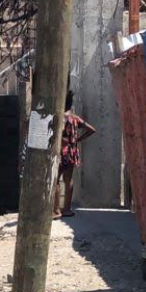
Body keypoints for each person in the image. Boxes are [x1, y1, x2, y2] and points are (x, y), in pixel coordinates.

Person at [55, 90, 96, 219]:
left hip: (61, 152)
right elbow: (92, 129)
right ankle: (67, 209)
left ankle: (56, 210)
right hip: (72, 152)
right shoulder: (75, 118)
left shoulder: (60, 117)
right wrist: (78, 139)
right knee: (69, 179)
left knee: (55, 180)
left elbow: (60, 130)